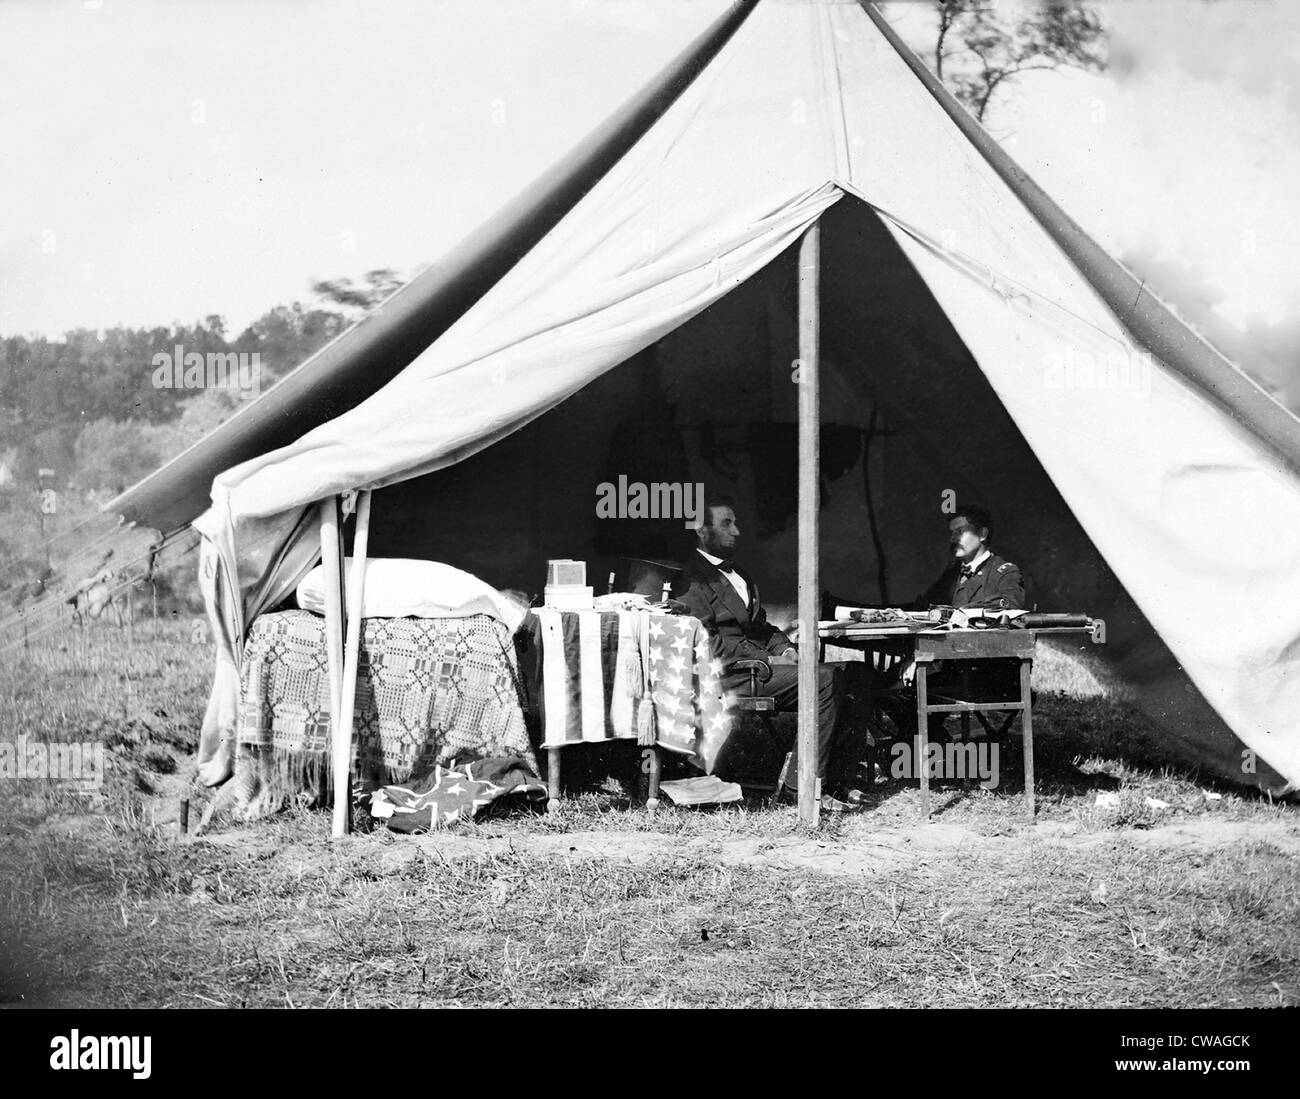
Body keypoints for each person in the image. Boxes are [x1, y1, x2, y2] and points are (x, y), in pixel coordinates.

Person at [672, 496, 869, 812]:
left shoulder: (742, 576)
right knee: (824, 680)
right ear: (701, 530)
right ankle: (800, 788)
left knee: (858, 676)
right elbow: (707, 643)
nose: (736, 531)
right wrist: (767, 659)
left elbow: (761, 627)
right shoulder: (692, 580)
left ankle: (838, 782)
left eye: (735, 523)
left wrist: (786, 649)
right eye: (726, 524)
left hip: (758, 667)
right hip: (732, 675)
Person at [912, 505, 1025, 613]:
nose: (953, 539)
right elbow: (925, 604)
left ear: (982, 534)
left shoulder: (1005, 573)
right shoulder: (952, 572)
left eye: (960, 531)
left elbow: (1010, 605)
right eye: (952, 533)